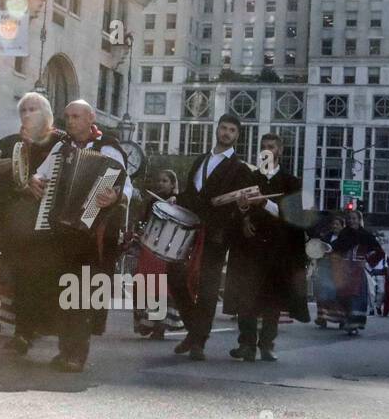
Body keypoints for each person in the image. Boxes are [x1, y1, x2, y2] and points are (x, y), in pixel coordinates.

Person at [25, 100, 128, 372]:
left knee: (82, 294)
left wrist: (114, 196)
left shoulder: (109, 149)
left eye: (76, 116)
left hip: (94, 234)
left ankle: (77, 354)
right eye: (68, 116)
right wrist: (35, 180)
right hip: (62, 231)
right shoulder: (61, 148)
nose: (70, 121)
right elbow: (41, 174)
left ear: (91, 118)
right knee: (62, 291)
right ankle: (65, 350)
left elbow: (126, 186)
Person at [171, 113, 257, 361]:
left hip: (217, 234)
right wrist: (177, 199)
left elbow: (241, 206)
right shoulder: (201, 160)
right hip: (189, 229)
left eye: (232, 130)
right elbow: (191, 193)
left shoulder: (240, 168)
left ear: (237, 136)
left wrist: (237, 213)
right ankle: (193, 329)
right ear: (217, 130)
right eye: (224, 128)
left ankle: (198, 341)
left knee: (207, 288)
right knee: (175, 277)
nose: (226, 133)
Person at [0, 92, 65, 353]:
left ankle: (34, 329)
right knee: (20, 278)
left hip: (49, 222)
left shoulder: (61, 142)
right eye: (24, 110)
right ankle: (23, 332)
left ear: (46, 114)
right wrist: (16, 177)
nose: (27, 114)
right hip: (17, 220)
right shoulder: (10, 142)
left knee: (41, 278)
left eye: (34, 109)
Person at [224, 133, 310, 361]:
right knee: (246, 296)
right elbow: (236, 210)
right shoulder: (248, 178)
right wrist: (243, 216)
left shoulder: (292, 182)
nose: (266, 151)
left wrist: (265, 203)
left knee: (273, 298)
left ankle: (267, 343)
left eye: (271, 147)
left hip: (277, 250)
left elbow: (295, 216)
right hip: (250, 248)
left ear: (280, 151)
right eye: (263, 147)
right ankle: (246, 344)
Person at [128, 169, 185, 340]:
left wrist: (174, 205)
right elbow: (143, 222)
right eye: (159, 180)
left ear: (173, 184)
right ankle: (147, 323)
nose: (161, 184)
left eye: (165, 181)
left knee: (162, 286)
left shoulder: (180, 202)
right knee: (145, 282)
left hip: (167, 250)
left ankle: (160, 324)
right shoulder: (151, 201)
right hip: (149, 248)